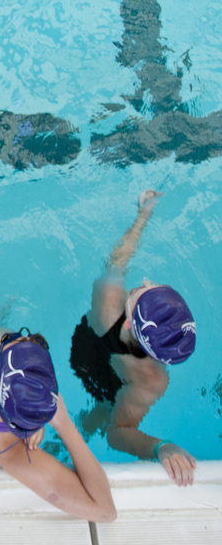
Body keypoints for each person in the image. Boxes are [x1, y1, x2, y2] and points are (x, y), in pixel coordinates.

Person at [71, 189, 197, 486]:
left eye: (141, 291)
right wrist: (158, 445)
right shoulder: (153, 380)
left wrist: (142, 217)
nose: (144, 281)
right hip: (118, 379)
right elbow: (119, 432)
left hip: (84, 353)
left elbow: (117, 260)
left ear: (128, 324)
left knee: (99, 409)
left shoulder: (109, 297)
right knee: (102, 416)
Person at [0, 329, 116, 522]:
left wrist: (30, 408)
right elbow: (105, 511)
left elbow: (11, 340)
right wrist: (63, 423)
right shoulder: (8, 449)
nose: (20, 340)